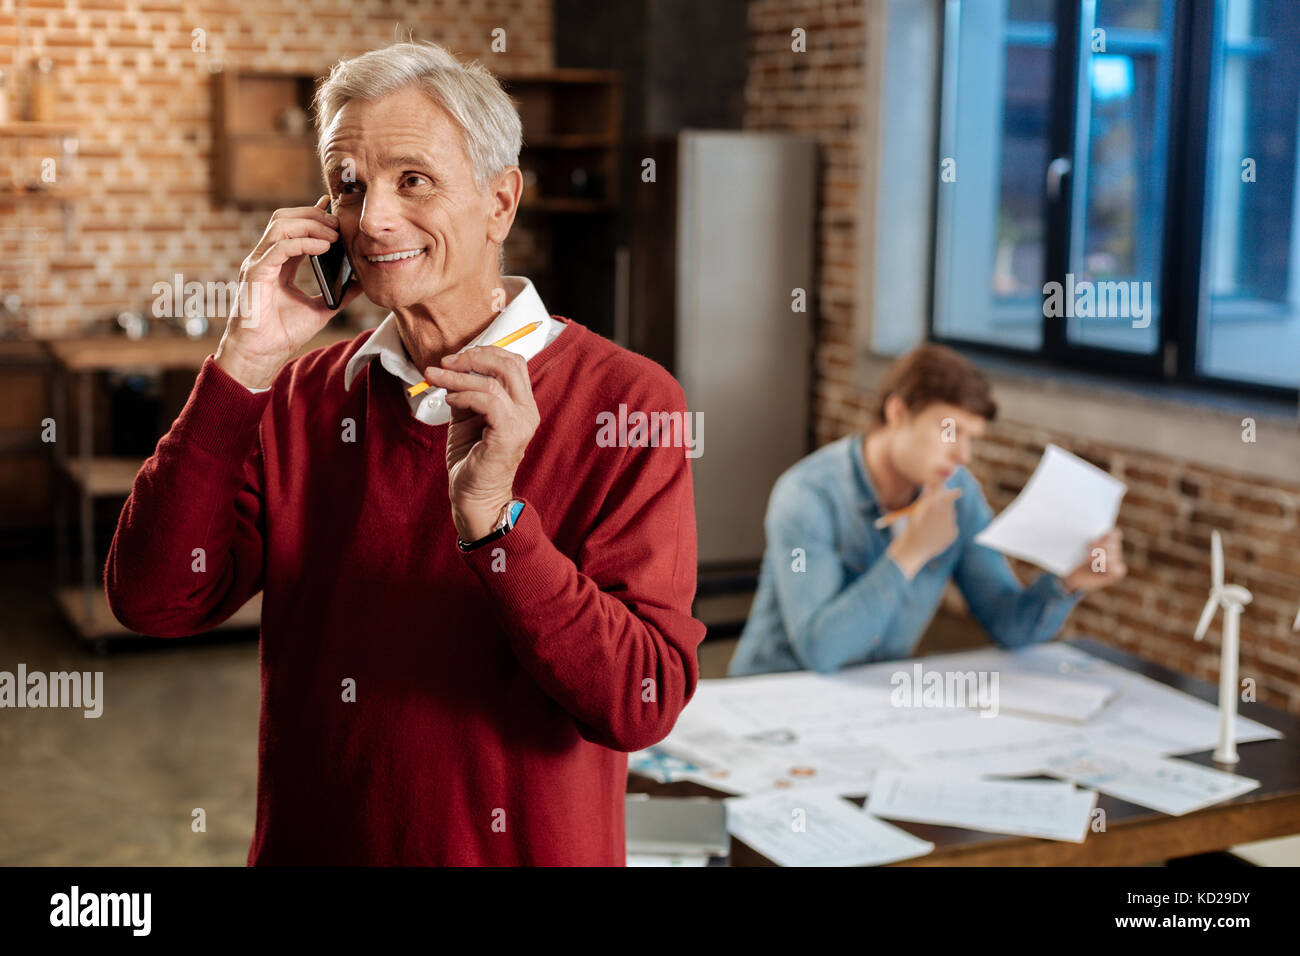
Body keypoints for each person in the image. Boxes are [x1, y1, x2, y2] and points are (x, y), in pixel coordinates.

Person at [105, 40, 705, 865]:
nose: (373, 216)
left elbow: (642, 700)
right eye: (348, 184)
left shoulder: (630, 402)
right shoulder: (299, 393)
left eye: (412, 179)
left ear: (500, 201)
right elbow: (153, 599)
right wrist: (243, 362)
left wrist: (497, 530)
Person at [728, 344, 1125, 676]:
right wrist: (911, 552)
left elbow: (1008, 626)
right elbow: (822, 652)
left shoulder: (958, 494)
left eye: (972, 438)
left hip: (866, 706)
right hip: (775, 703)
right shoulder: (807, 495)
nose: (962, 454)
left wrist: (1069, 581)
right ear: (898, 412)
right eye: (949, 430)